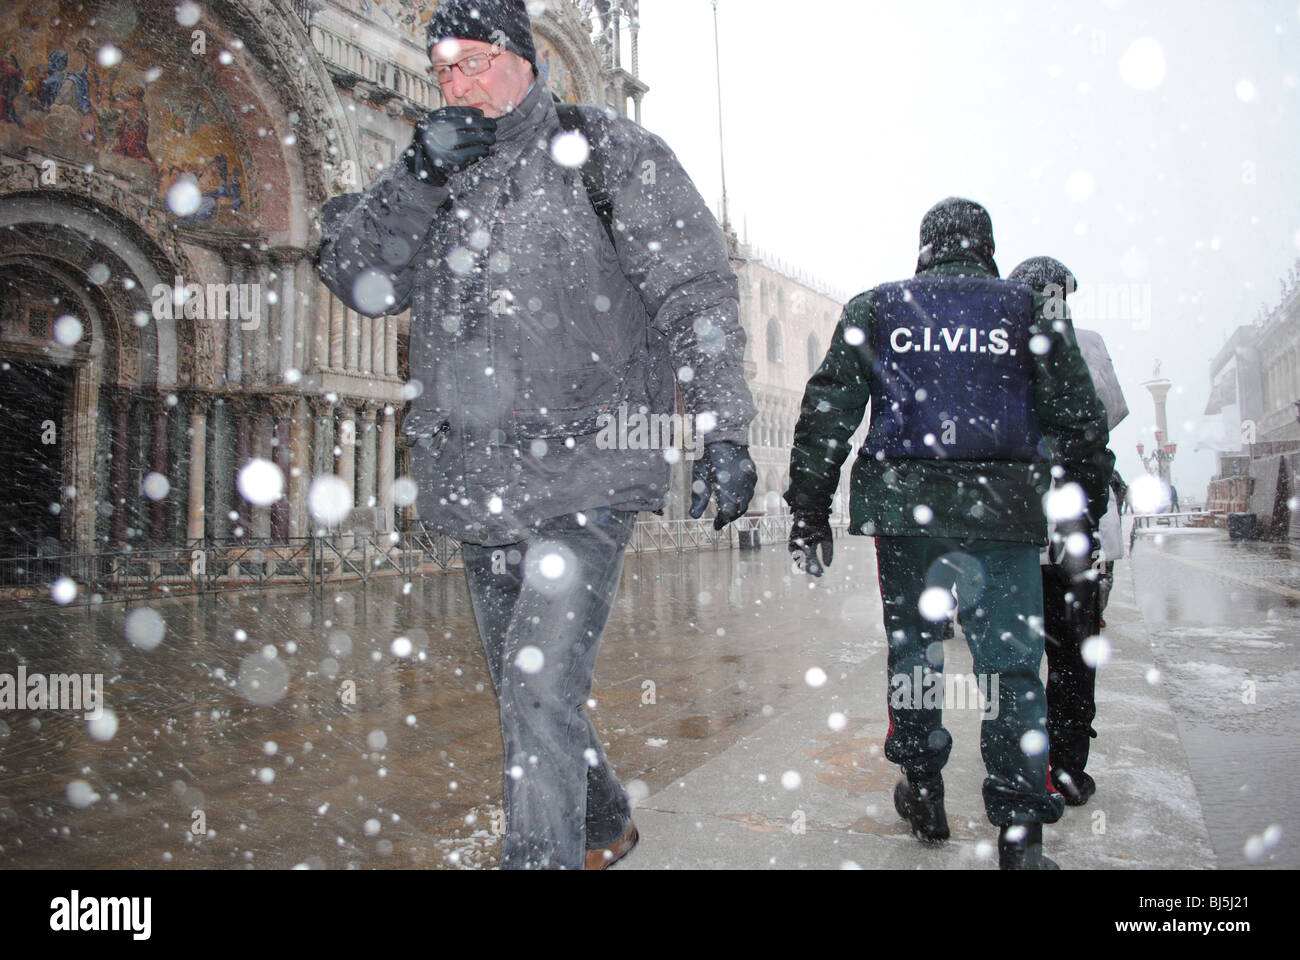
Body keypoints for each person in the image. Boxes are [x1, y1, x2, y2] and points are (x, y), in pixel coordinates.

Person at [316, 0, 756, 870]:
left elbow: (696, 294)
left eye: (476, 61)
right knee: (529, 692)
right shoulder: (436, 169)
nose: (458, 82)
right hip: (477, 483)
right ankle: (602, 823)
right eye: (443, 68)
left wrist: (725, 431)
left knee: (534, 686)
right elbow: (360, 279)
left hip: (589, 470)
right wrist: (414, 174)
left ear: (528, 60)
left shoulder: (608, 153)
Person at [785, 198, 1113, 869]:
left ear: (925, 246)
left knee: (917, 656)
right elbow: (1077, 413)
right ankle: (1020, 834)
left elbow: (828, 411)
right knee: (1013, 670)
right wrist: (1085, 495)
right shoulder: (1029, 307)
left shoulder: (876, 307)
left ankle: (924, 783)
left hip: (907, 515)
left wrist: (809, 505)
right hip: (1003, 515)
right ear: (987, 247)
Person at [1008, 257, 1127, 808]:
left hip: (1015, 530)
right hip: (1070, 535)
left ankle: (1022, 763)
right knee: (1074, 655)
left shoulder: (997, 348)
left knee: (1013, 656)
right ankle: (1068, 767)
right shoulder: (1087, 343)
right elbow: (1105, 420)